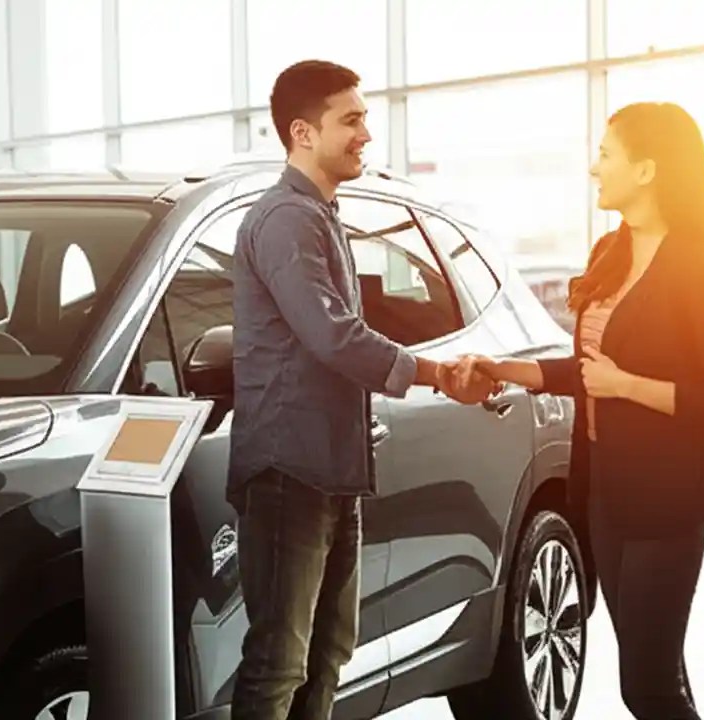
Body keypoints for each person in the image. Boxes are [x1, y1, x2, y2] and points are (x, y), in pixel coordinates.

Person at [457, 101, 704, 720]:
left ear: (647, 171)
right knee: (657, 676)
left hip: (668, 496)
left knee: (646, 688)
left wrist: (627, 385)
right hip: (604, 493)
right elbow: (588, 371)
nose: (595, 169)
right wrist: (506, 370)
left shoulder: (700, 268)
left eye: (606, 155)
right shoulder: (609, 253)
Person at [227, 59, 496, 720]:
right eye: (351, 120)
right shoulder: (287, 221)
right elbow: (334, 337)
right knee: (279, 663)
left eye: (365, 119)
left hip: (331, 468)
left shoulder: (319, 214)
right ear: (302, 133)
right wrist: (437, 373)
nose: (365, 134)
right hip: (291, 471)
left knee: (326, 655)